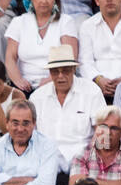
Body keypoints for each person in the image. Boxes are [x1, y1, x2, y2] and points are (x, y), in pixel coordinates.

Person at [31, 44, 107, 176]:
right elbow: (31, 134)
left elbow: (103, 132)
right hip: (46, 158)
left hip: (84, 158)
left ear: (73, 69)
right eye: (55, 71)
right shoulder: (37, 97)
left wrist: (90, 159)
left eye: (65, 70)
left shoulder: (92, 91)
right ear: (50, 72)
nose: (60, 76)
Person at [4, 0, 78, 97]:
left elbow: (70, 57)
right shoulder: (19, 22)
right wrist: (18, 80)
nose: (44, 1)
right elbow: (10, 58)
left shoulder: (66, 21)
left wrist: (50, 80)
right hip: (24, 85)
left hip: (57, 83)